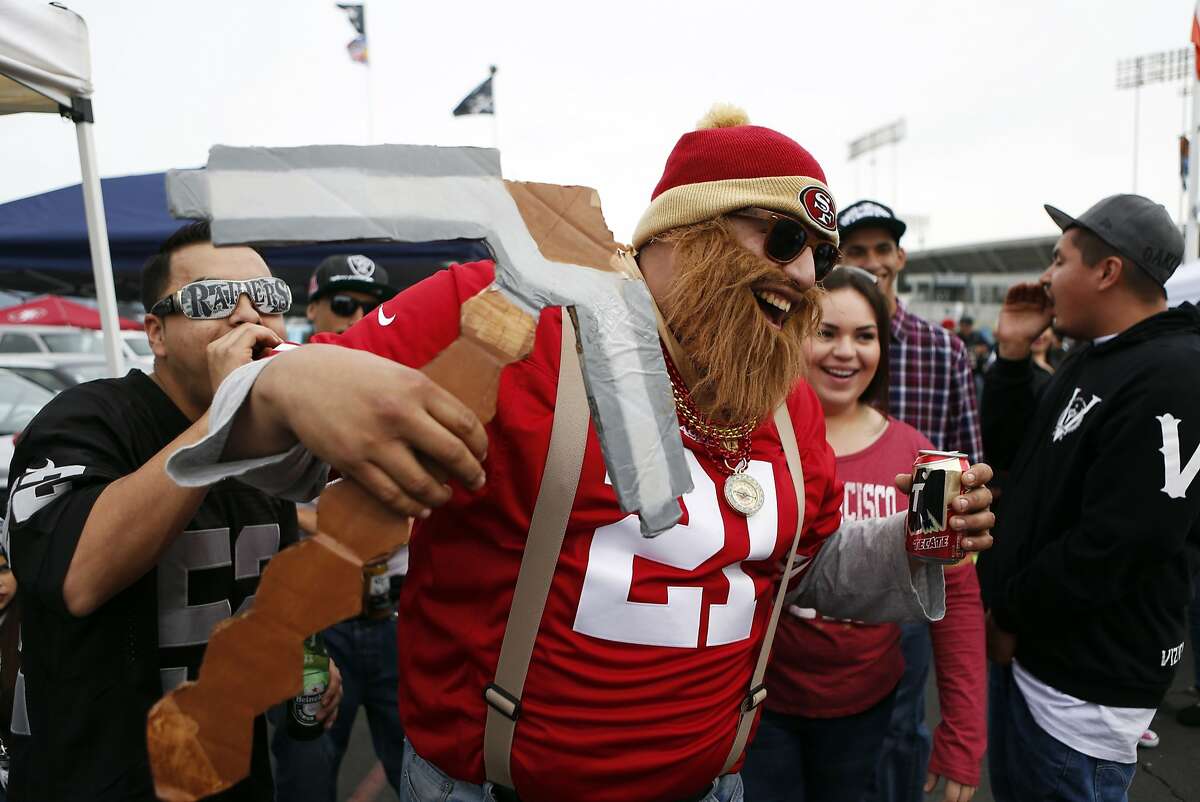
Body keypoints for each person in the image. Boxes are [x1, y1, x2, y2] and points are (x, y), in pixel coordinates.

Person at [163, 105, 997, 802]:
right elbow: (273, 456)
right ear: (684, 233)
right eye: (781, 238)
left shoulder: (788, 404)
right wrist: (285, 383)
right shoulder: (511, 320)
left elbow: (797, 568)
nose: (807, 273)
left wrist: (914, 542)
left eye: (820, 252)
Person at [2, 222, 352, 801]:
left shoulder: (270, 438)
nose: (248, 317)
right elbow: (77, 578)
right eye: (212, 299)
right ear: (156, 334)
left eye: (269, 299)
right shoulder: (87, 419)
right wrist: (225, 419)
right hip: (97, 779)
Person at [979, 194, 1200, 801]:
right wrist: (1014, 357)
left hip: (1082, 684)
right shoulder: (1095, 358)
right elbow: (1018, 463)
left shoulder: (1174, 371)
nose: (1046, 277)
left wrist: (1010, 614)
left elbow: (1125, 539)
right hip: (1040, 663)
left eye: (1059, 259)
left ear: (1107, 271)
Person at [741, 268, 985, 802]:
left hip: (870, 713)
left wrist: (963, 740)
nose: (845, 352)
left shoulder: (916, 456)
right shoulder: (751, 442)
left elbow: (959, 597)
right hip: (759, 708)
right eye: (826, 332)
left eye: (865, 336)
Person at [837, 199, 984, 802]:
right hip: (806, 614)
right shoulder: (794, 376)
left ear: (899, 256)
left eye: (881, 249)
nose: (847, 354)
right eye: (855, 250)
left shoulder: (941, 351)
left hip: (914, 571)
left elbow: (966, 482)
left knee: (896, 737)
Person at [271, 253, 406, 800]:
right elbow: (255, 499)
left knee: (424, 767)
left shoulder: (409, 391)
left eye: (376, 307)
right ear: (314, 309)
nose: (359, 317)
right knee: (306, 769)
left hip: (400, 612)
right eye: (345, 304)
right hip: (315, 618)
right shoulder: (283, 389)